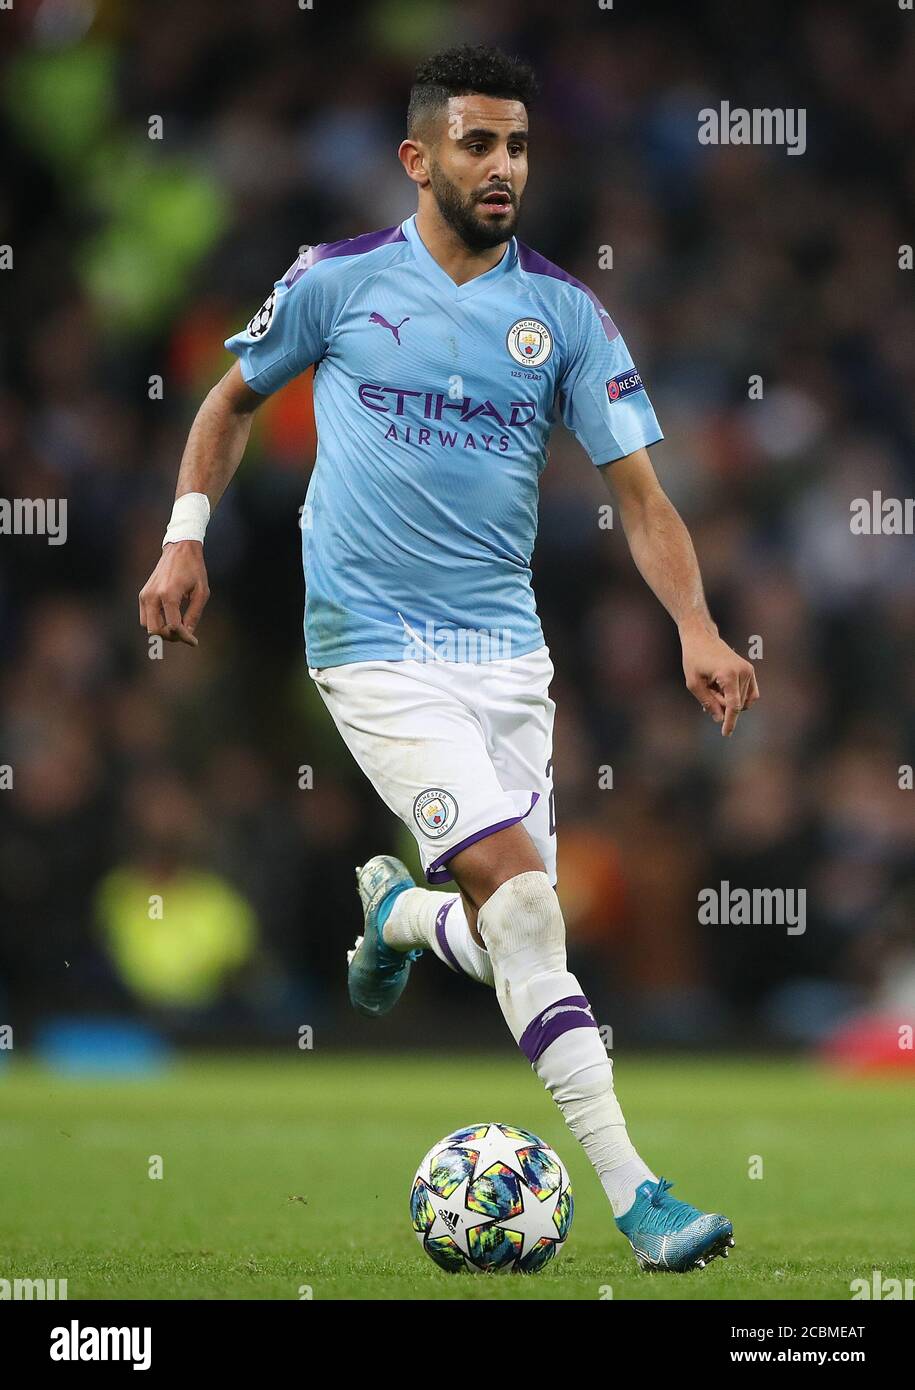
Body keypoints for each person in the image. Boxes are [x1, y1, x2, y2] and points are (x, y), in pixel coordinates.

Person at [139, 43, 758, 1272]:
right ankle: (639, 1197)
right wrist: (182, 541)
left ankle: (404, 913)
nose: (503, 166)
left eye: (519, 145)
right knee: (529, 899)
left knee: (521, 928)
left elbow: (639, 496)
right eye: (478, 143)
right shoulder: (335, 281)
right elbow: (227, 404)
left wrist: (696, 623)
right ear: (418, 159)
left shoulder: (567, 316)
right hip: (370, 647)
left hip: (505, 658)